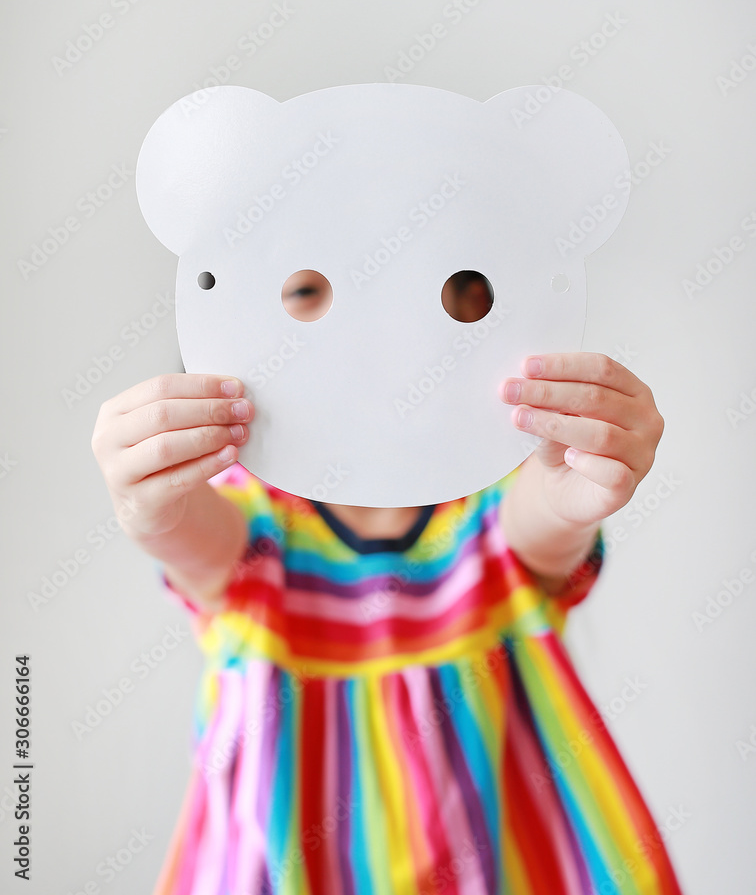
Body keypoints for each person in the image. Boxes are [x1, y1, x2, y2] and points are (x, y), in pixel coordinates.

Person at [91, 271, 684, 894]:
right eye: (306, 291)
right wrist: (146, 506)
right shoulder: (252, 524)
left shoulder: (493, 505)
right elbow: (188, 535)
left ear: (475, 304)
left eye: (412, 285)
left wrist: (578, 488)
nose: (362, 324)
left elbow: (544, 519)